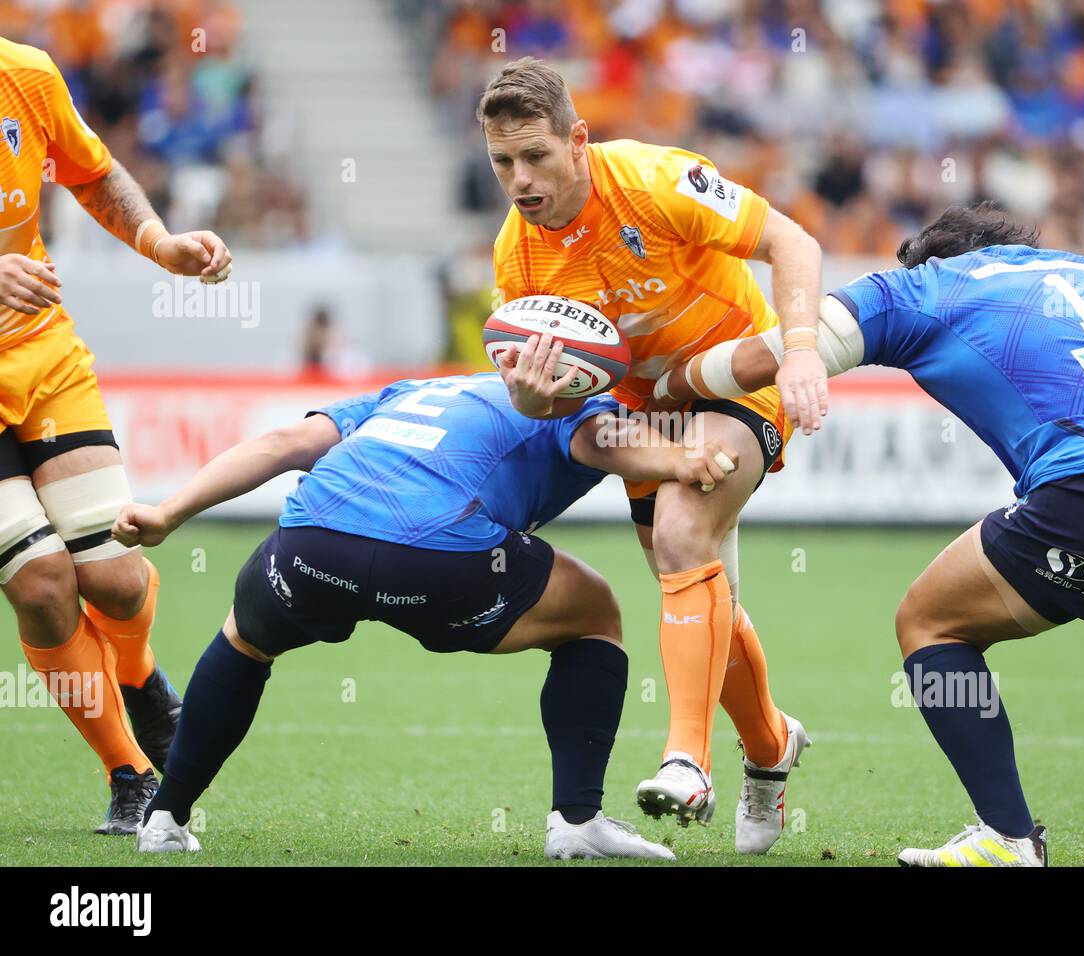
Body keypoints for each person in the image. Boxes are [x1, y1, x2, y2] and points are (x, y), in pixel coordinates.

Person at [653, 202, 1084, 866]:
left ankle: (1009, 838)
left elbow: (783, 351)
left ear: (932, 257)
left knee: (930, 624)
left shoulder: (919, 287)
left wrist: (668, 380)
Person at [115, 366, 740, 860]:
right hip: (438, 566)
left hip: (310, 545)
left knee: (246, 639)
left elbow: (284, 444)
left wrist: (169, 512)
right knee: (596, 612)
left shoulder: (414, 390)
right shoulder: (571, 404)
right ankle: (576, 822)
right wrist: (682, 459)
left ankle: (165, 819)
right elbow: (608, 443)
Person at [482, 57, 819, 852]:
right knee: (698, 589)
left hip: (738, 375)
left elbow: (792, 241)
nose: (520, 179)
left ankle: (686, 763)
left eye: (535, 156)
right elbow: (557, 401)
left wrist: (800, 350)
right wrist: (535, 400)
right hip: (643, 412)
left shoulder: (654, 181)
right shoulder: (517, 262)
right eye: (502, 162)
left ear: (579, 139)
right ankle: (771, 749)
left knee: (678, 536)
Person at [0, 38, 233, 834]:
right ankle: (129, 771)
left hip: (42, 356)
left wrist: (161, 243)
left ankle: (137, 674)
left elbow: (93, 171)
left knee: (117, 580)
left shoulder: (24, 75)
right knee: (39, 583)